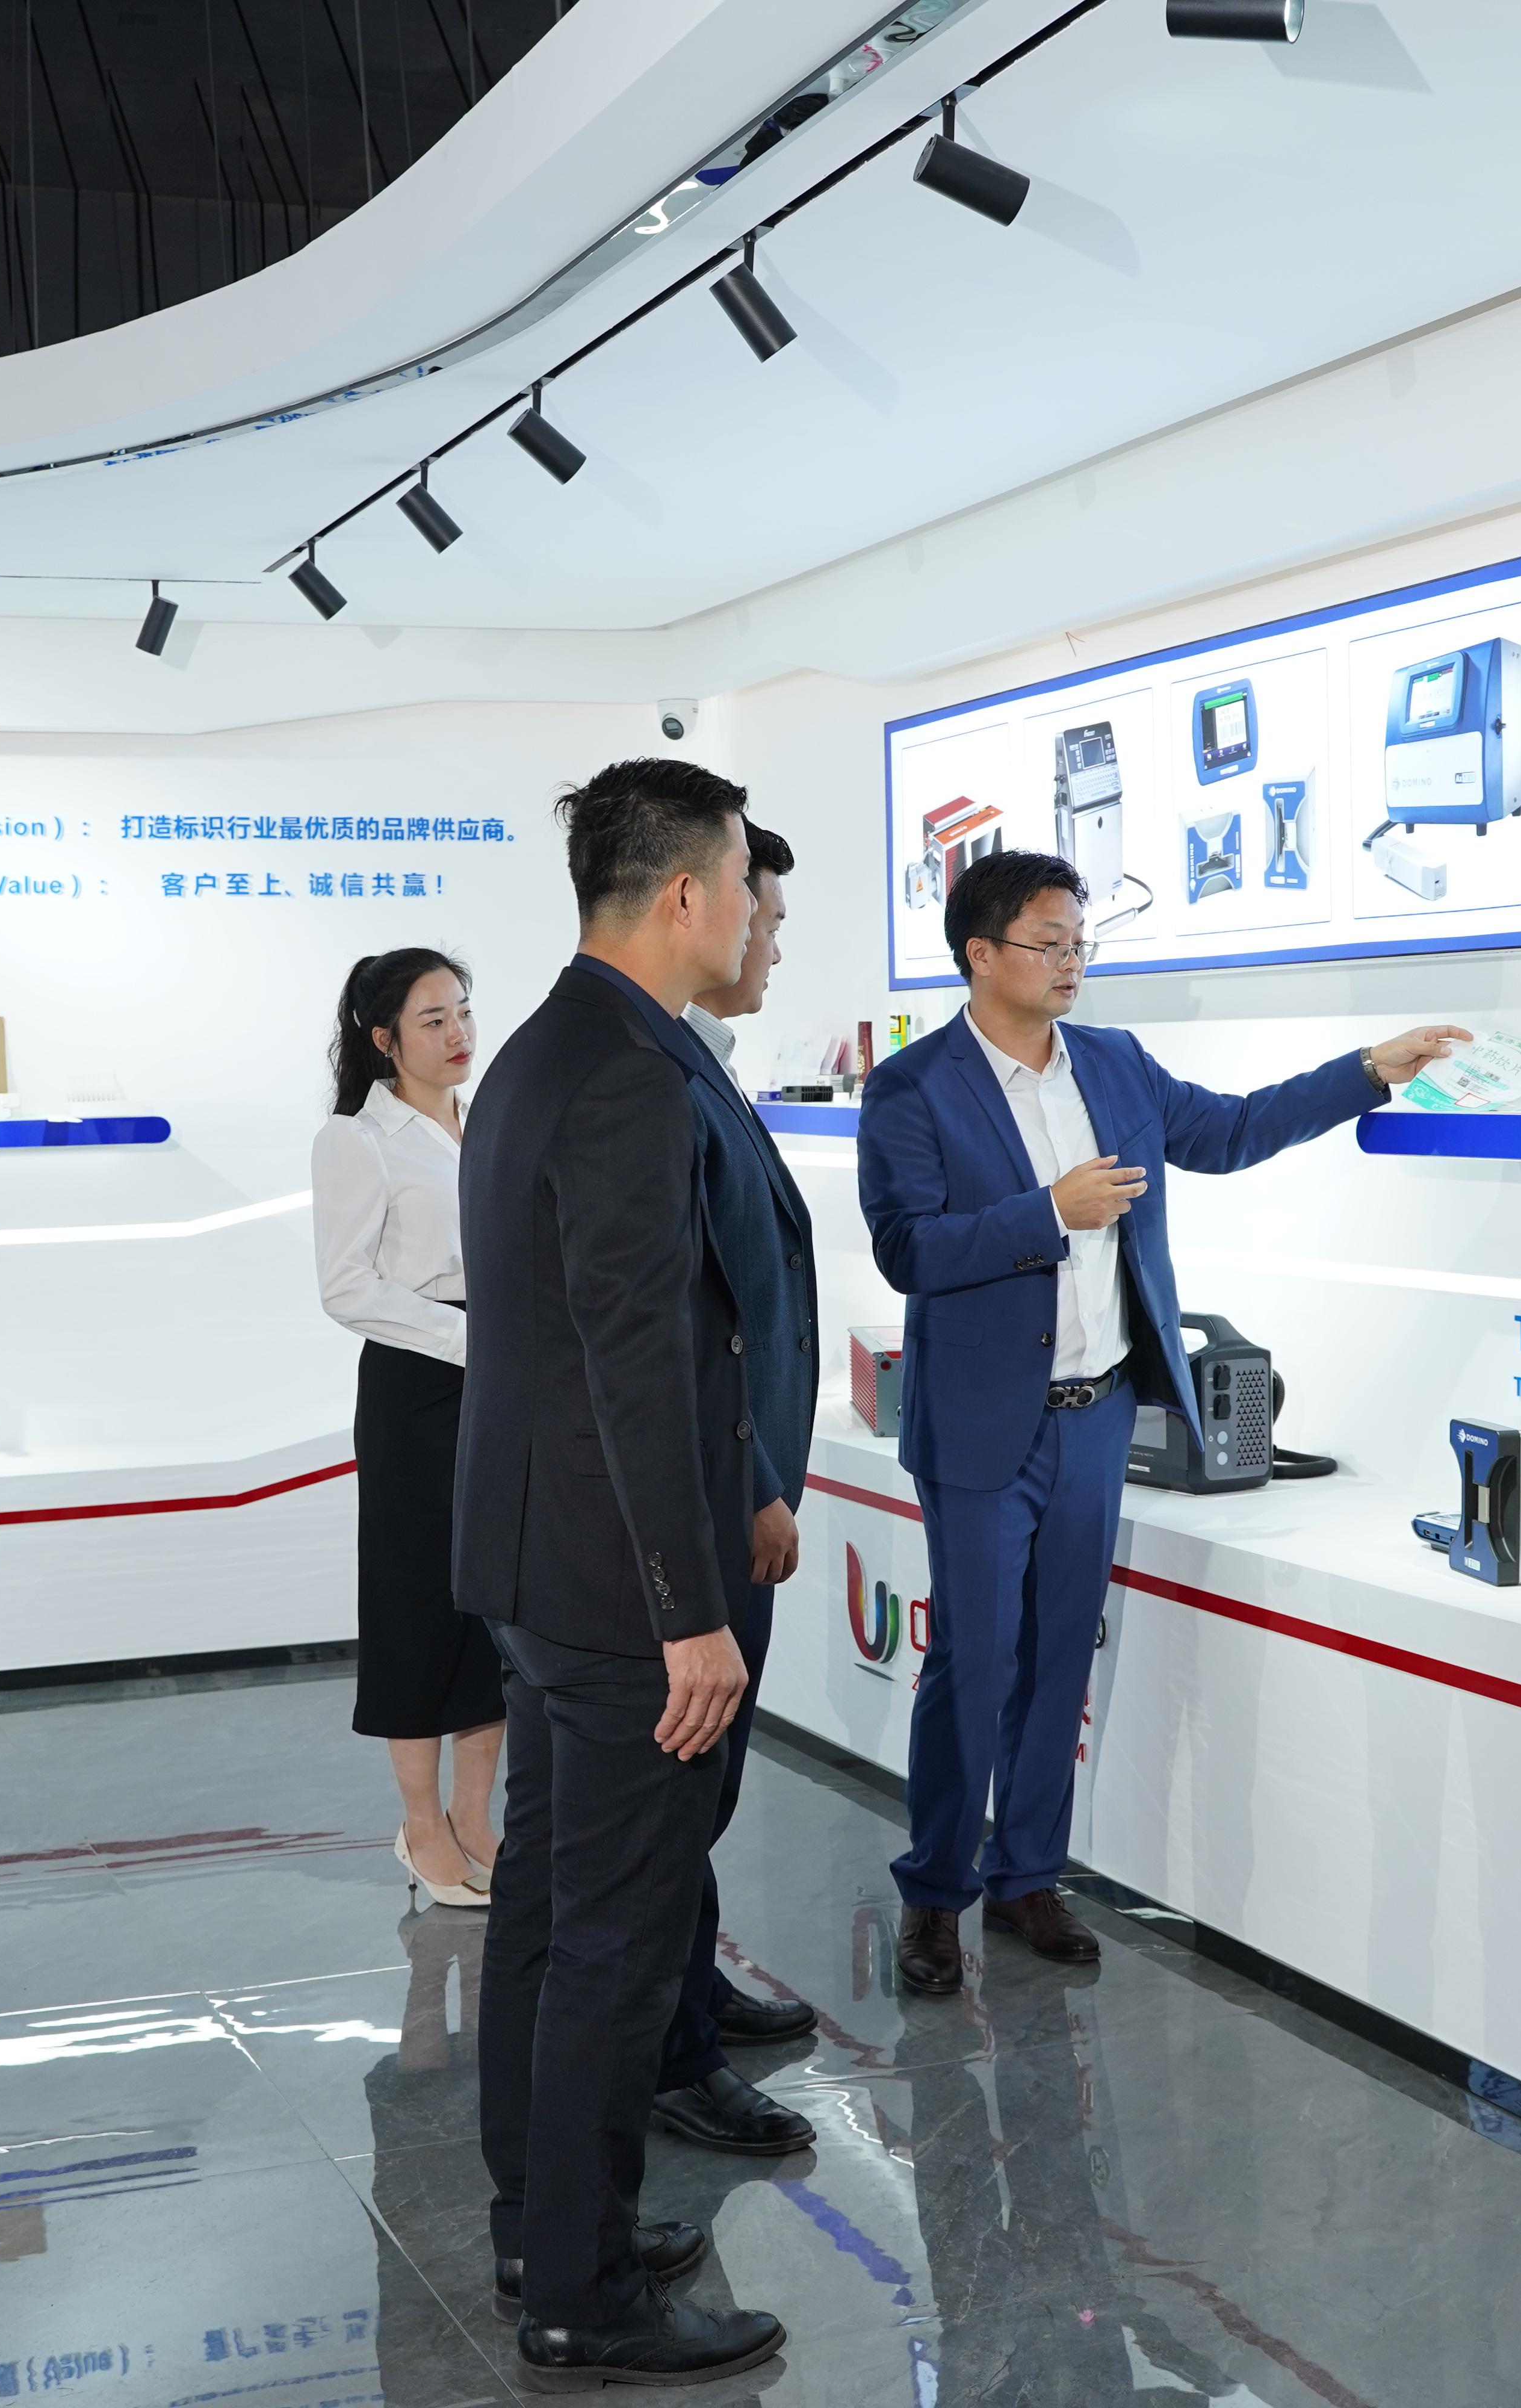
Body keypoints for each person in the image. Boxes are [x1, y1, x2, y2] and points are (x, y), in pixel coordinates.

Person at [859, 850, 1467, 1995]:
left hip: (1096, 1418)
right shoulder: (913, 1087)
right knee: (973, 1664)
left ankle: (1027, 1877)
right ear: (981, 954)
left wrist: (1366, 1073)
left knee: (1057, 1661)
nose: (1070, 961)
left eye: (1079, 942)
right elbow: (909, 1249)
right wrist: (1049, 1212)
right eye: (1048, 942)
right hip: (984, 1427)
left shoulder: (1116, 1064)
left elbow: (1231, 1132)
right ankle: (934, 1892)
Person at [453, 761, 787, 2389]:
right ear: (684, 894)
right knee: (614, 1935)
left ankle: (547, 2224)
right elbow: (632, 1365)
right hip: (611, 1588)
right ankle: (581, 2294)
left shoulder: (548, 1044)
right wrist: (689, 1612)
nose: (753, 915)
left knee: (545, 1904)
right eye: (742, 884)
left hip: (537, 1561)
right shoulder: (630, 1075)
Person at [649, 814, 825, 2158]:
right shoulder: (652, 1074)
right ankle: (672, 2056)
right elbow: (677, 1330)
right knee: (674, 1792)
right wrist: (758, 1476)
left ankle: (689, 1990)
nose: (769, 940)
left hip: (733, 1480)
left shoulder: (702, 1058)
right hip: (705, 1494)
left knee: (704, 1791)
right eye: (761, 913)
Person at [311, 948, 501, 1913]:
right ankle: (422, 1824)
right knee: (418, 1603)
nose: (458, 1032)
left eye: (462, 1010)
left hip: (505, 1379)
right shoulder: (357, 1139)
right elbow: (347, 1287)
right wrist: (472, 1341)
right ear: (384, 1038)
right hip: (418, 1385)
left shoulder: (490, 1121)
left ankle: (477, 1817)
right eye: (433, 1019)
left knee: (497, 1600)